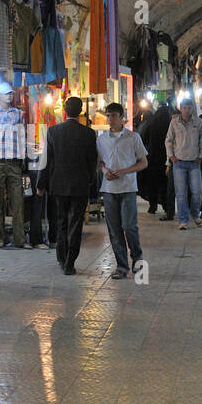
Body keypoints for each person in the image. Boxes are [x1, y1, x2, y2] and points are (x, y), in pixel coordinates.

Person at [40, 96, 97, 275]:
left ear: (64, 110)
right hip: (80, 185)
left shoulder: (53, 131)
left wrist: (41, 184)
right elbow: (92, 163)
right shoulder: (88, 133)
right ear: (80, 112)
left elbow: (47, 161)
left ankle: (62, 257)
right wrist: (91, 184)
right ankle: (70, 262)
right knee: (76, 223)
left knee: (61, 221)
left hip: (58, 184)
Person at [96, 102, 147, 280]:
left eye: (113, 116)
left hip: (127, 188)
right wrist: (104, 171)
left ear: (121, 117)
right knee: (114, 229)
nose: (110, 119)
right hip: (109, 189)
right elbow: (100, 162)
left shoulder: (133, 138)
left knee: (129, 226)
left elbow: (143, 162)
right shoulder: (101, 139)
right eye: (108, 116)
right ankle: (121, 266)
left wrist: (125, 170)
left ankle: (137, 258)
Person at [165, 97, 202, 230]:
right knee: (181, 193)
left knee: (197, 191)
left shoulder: (198, 122)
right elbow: (169, 140)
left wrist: (201, 156)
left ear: (192, 108)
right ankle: (183, 220)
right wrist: (170, 157)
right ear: (180, 108)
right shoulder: (174, 122)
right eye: (184, 107)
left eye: (189, 107)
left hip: (194, 162)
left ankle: (195, 214)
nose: (186, 110)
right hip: (179, 162)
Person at [137, 101, 171, 218]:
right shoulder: (169, 124)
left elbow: (143, 139)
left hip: (152, 159)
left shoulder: (150, 124)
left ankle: (153, 206)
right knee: (165, 184)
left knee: (152, 183)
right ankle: (167, 207)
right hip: (166, 159)